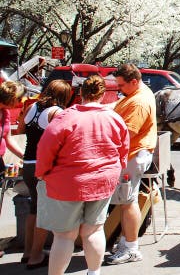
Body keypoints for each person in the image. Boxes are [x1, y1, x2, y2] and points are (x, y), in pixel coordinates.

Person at [35, 75, 129, 275]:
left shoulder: (67, 117)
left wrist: (42, 173)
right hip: (103, 181)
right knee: (94, 230)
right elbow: (123, 149)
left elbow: (45, 148)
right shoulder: (114, 118)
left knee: (64, 236)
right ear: (103, 95)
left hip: (67, 183)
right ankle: (94, 272)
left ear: (80, 93)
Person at [106, 63, 157, 265]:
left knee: (128, 202)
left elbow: (128, 134)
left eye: (121, 85)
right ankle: (128, 244)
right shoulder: (137, 95)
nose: (119, 89)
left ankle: (131, 247)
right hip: (133, 154)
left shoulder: (139, 102)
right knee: (128, 201)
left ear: (133, 82)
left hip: (132, 155)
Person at [19, 79, 72, 268]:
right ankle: (36, 256)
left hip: (27, 163)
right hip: (43, 166)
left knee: (34, 208)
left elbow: (20, 130)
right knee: (43, 211)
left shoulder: (31, 107)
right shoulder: (57, 112)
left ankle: (27, 252)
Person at [0, 81, 25, 260]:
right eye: (18, 99)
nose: (20, 103)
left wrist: (24, 157)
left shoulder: (5, 113)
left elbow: (8, 139)